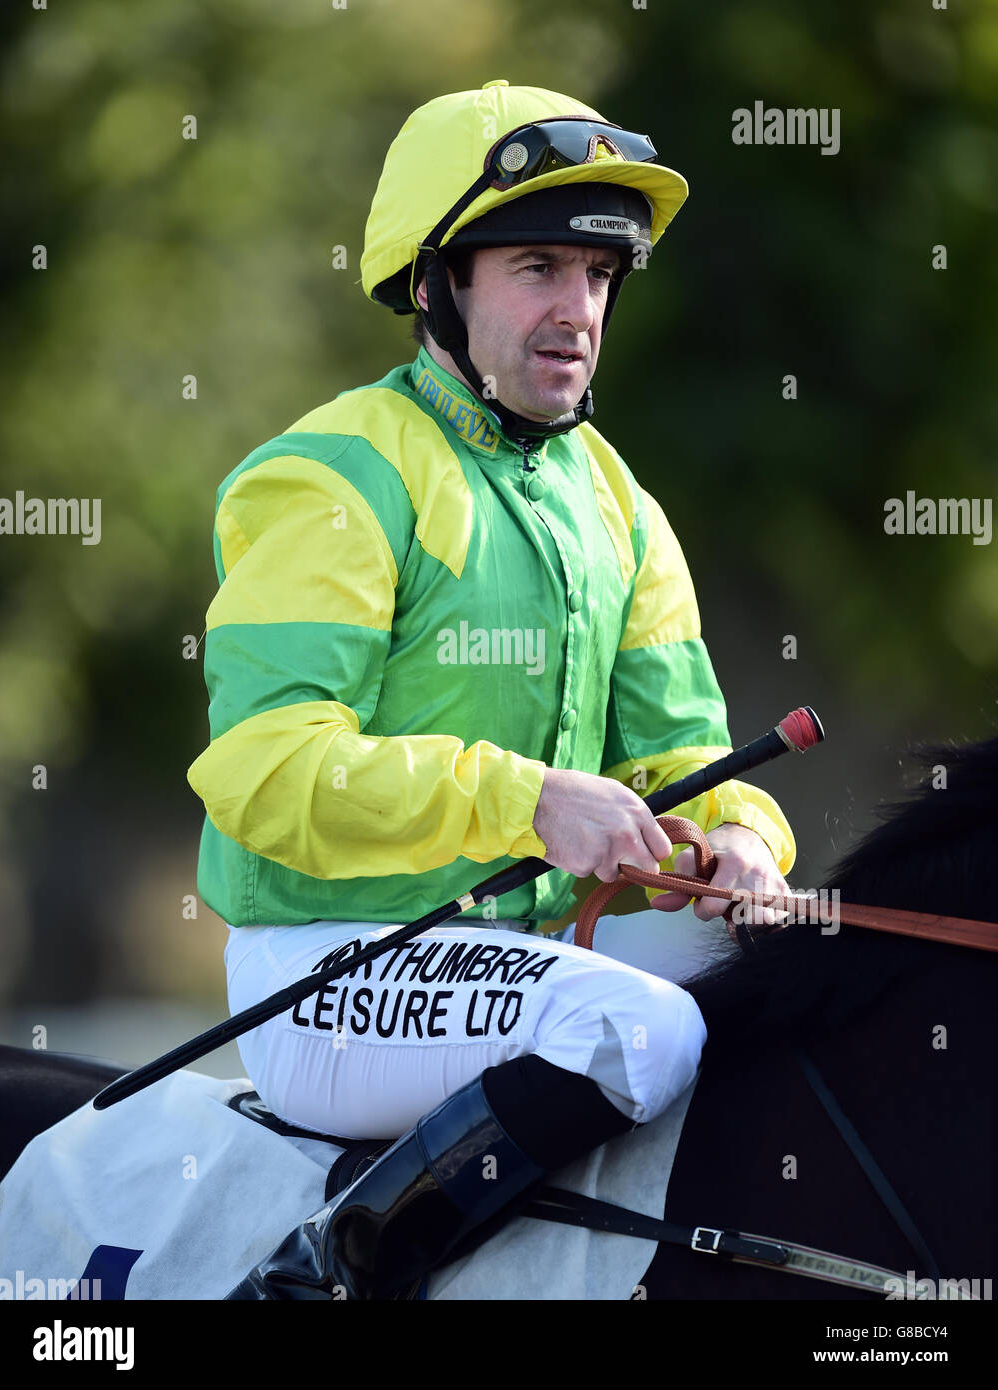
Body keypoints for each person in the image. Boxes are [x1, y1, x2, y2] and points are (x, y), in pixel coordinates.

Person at [187, 80, 796, 1300]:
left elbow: (679, 749)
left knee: (805, 1010)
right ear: (434, 285)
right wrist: (522, 804)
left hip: (512, 965)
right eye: (535, 267)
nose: (578, 311)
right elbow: (265, 772)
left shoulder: (619, 504)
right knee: (641, 1028)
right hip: (330, 970)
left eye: (599, 276)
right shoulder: (331, 474)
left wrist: (736, 840)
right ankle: (323, 1272)